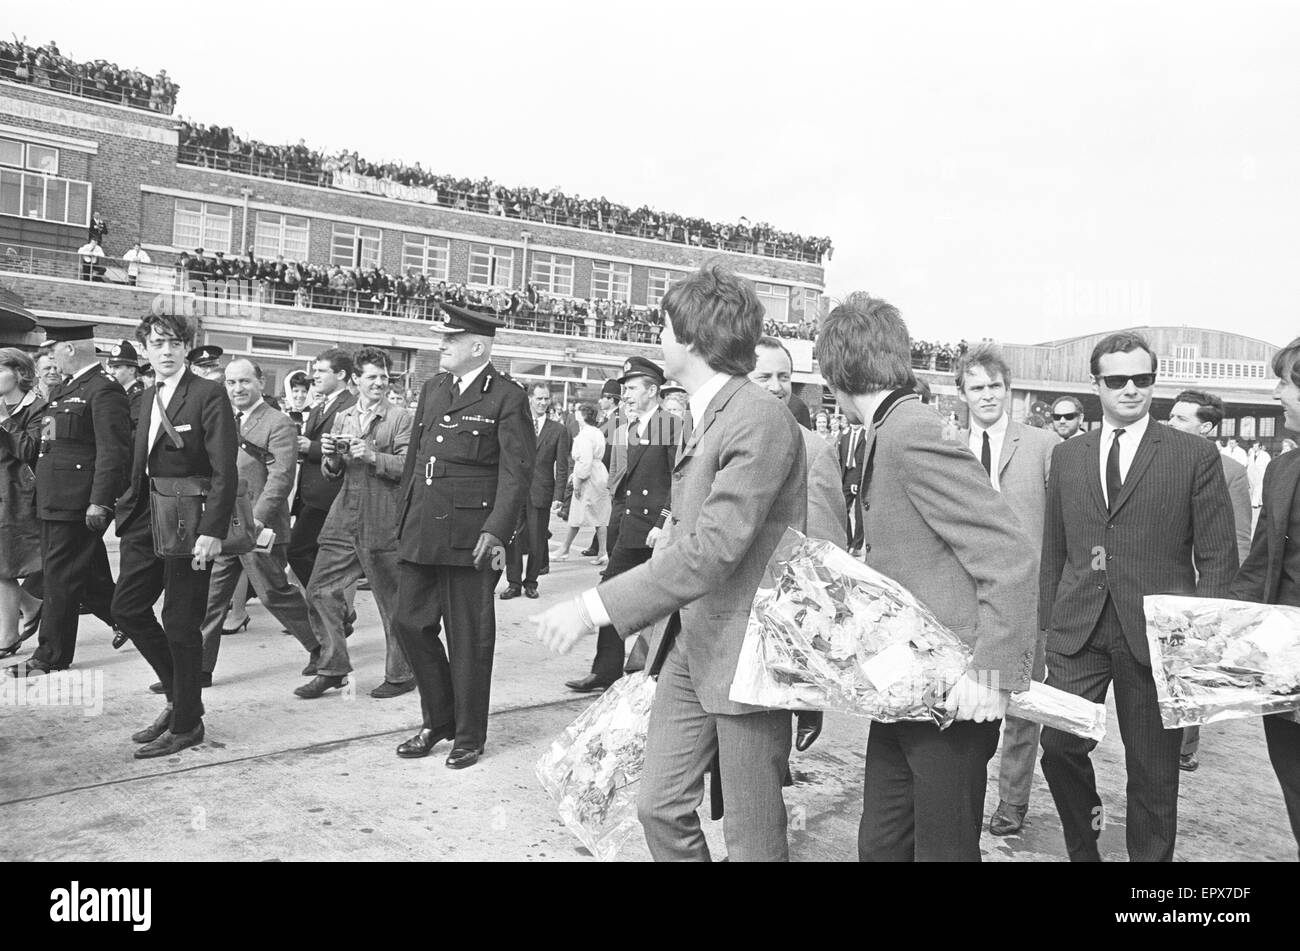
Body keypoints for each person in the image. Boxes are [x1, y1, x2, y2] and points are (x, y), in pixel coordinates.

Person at [534, 265, 808, 862]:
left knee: (753, 833)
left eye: (663, 326)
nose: (658, 337)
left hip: (743, 650)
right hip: (690, 640)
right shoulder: (711, 411)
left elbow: (713, 549)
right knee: (658, 805)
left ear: (688, 339)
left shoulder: (757, 417)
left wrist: (592, 607)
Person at [813, 294, 1037, 862]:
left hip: (953, 689)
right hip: (909, 684)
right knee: (883, 845)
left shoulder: (912, 429)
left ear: (834, 372)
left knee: (943, 850)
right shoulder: (890, 428)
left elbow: (1008, 552)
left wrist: (991, 673)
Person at [1039, 331, 1237, 862]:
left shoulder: (1192, 455)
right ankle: (1086, 847)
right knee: (1058, 747)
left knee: (1152, 773)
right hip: (1078, 629)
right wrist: (1044, 632)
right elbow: (1054, 551)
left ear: (1154, 380)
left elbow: (1218, 557)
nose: (1131, 389)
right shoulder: (1068, 457)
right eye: (1117, 380)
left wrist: (1198, 651)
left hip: (1156, 637)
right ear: (1095, 384)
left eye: (1142, 379)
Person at [391, 303, 533, 769]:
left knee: (469, 638)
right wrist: (403, 516)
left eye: (449, 339)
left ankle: (468, 735)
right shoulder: (434, 388)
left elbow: (517, 473)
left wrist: (497, 531)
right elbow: (415, 457)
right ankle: (439, 720)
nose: (441, 345)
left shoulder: (506, 397)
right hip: (422, 529)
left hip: (472, 537)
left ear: (477, 346)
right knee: (409, 623)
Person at [110, 311, 238, 758]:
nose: (165, 351)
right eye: (157, 343)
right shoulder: (147, 397)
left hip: (188, 520)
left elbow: (225, 470)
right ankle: (179, 696)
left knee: (181, 623)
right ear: (144, 349)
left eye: (174, 344)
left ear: (186, 348)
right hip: (146, 516)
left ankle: (187, 723)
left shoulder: (208, 394)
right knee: (125, 607)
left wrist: (211, 531)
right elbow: (136, 462)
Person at [952, 343, 1058, 837]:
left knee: (1019, 701)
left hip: (1025, 599)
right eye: (977, 387)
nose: (988, 395)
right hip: (962, 595)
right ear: (963, 394)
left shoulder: (1041, 446)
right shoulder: (947, 443)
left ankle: (1013, 799)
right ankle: (960, 793)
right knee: (966, 695)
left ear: (1009, 390)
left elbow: (1058, 527)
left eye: (996, 386)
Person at [9, 323, 130, 678]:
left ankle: (50, 656)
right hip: (53, 498)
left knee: (59, 580)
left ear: (71, 350)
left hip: (76, 503)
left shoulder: (103, 391)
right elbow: (47, 446)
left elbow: (113, 453)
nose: (50, 357)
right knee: (86, 577)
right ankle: (130, 620)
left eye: (54, 350)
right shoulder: (65, 390)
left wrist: (100, 501)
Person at [192, 358, 318, 689]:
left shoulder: (278, 423)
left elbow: (281, 477)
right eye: (231, 383)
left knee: (275, 594)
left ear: (260, 382)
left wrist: (257, 520)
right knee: (211, 599)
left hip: (259, 527)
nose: (237, 389)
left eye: (245, 381)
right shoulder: (223, 420)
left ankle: (323, 648)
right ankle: (199, 671)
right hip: (225, 526)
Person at [299, 347, 415, 700]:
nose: (379, 383)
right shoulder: (344, 416)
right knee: (319, 589)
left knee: (391, 602)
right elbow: (331, 473)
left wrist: (373, 456)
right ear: (356, 381)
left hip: (383, 517)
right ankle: (333, 666)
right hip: (344, 514)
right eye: (372, 377)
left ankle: (401, 673)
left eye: (384, 377)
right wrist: (332, 458)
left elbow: (408, 468)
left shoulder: (400, 418)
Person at [749, 334, 846, 753]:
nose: (775, 385)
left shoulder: (815, 449)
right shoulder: (716, 435)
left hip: (778, 604)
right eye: (764, 376)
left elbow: (827, 547)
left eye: (783, 376)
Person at [565, 357, 680, 693]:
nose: (625, 395)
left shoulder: (671, 425)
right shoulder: (631, 428)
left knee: (663, 607)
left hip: (657, 531)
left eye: (631, 389)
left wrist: (664, 521)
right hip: (631, 528)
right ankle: (605, 670)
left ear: (652, 391)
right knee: (609, 595)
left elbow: (680, 479)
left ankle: (656, 673)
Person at [1231, 335, 1300, 855]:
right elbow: (1257, 571)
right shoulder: (1281, 470)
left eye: (1285, 382)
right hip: (1283, 679)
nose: (1277, 393)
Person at [1165, 390, 1255, 772]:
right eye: (1171, 416)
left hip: (1200, 587)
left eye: (1181, 419)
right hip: (1161, 580)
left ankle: (1184, 746)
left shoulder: (1231, 470)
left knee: (1190, 670)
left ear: (1207, 427)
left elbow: (1236, 536)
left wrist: (1219, 598)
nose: (1171, 423)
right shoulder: (1158, 459)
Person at [288, 349, 357, 587]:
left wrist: (312, 447)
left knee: (297, 550)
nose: (313, 375)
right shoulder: (319, 406)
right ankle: (329, 610)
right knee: (314, 555)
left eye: (320, 371)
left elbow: (349, 446)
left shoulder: (351, 405)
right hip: (310, 494)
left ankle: (329, 604)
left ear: (341, 374)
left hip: (328, 494)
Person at [501, 383, 570, 601]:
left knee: (537, 539)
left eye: (546, 399)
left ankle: (531, 582)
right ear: (529, 399)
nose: (543, 403)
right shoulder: (517, 426)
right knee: (512, 539)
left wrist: (559, 497)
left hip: (541, 491)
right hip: (515, 491)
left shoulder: (558, 430)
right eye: (539, 398)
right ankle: (513, 583)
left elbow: (562, 466)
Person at [0, 349, 45, 657]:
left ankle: (7, 635)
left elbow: (31, 449)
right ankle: (32, 606)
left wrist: (4, 419)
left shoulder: (39, 408)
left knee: (3, 567)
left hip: (18, 496)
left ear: (19, 373)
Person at [553, 404, 609, 561]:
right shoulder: (597, 432)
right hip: (599, 473)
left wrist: (576, 481)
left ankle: (564, 549)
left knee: (576, 515)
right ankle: (602, 552)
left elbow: (585, 462)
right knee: (600, 516)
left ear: (582, 416)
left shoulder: (584, 435)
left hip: (588, 477)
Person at [838, 422, 866, 555]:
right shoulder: (844, 436)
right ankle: (848, 540)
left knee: (859, 513)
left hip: (859, 476)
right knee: (842, 508)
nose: (854, 424)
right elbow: (842, 459)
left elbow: (864, 460)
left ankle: (857, 545)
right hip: (846, 476)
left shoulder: (865, 436)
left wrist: (858, 480)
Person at [105, 340, 145, 430]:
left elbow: (137, 431)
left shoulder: (139, 396)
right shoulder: (115, 394)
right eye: (111, 367)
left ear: (131, 370)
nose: (111, 372)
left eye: (117, 367)